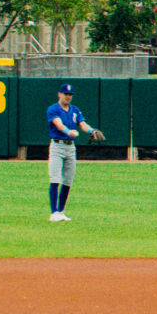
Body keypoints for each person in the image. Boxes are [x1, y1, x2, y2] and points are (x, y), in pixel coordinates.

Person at [46, 82, 103, 222]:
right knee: (55, 179)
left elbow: (82, 124)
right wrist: (68, 131)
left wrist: (91, 131)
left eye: (70, 95)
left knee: (68, 180)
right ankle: (54, 212)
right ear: (59, 94)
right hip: (57, 146)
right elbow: (58, 124)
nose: (68, 97)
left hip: (71, 148)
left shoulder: (75, 110)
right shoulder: (53, 109)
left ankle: (61, 211)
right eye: (66, 94)